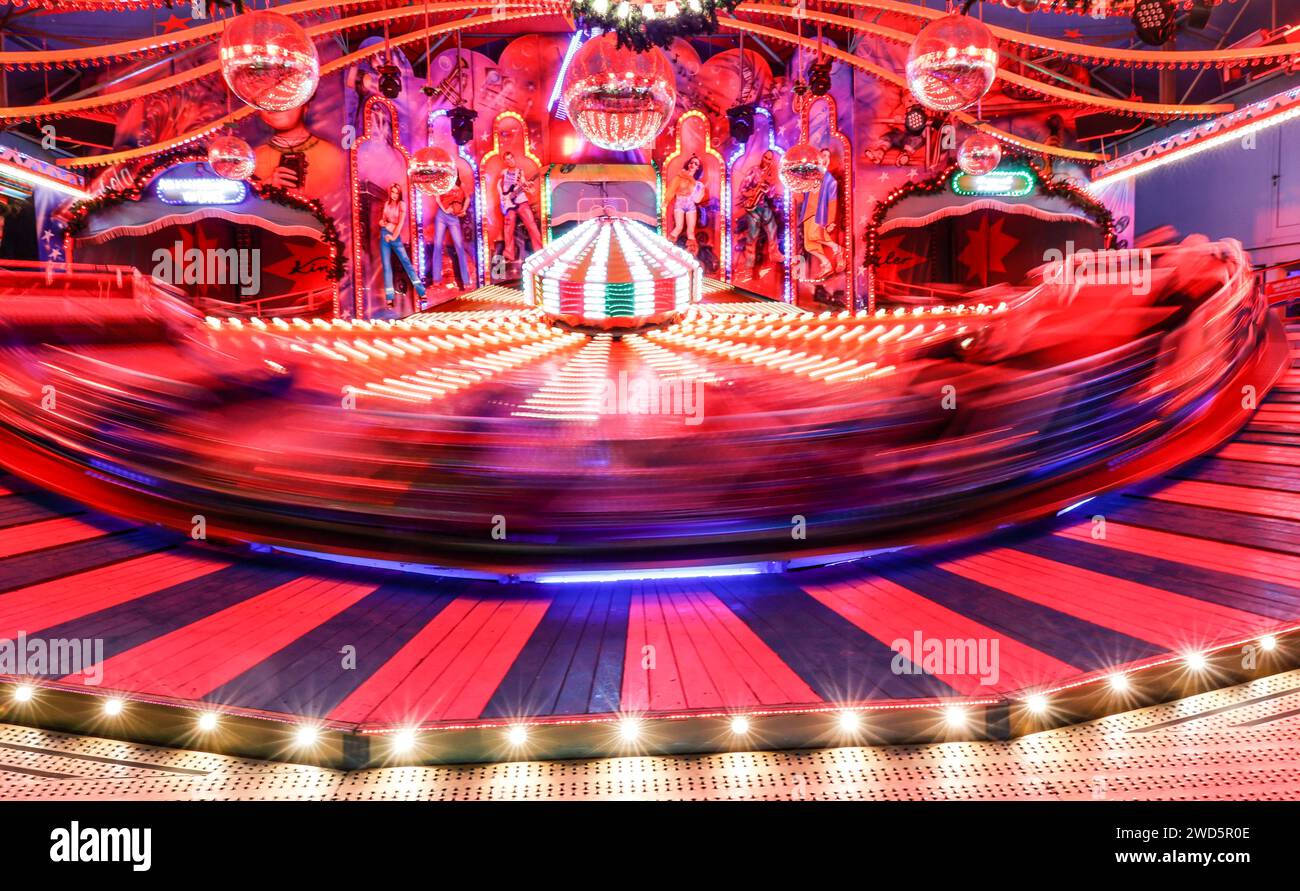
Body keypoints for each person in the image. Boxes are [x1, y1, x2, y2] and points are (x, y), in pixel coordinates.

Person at [252, 104, 345, 200]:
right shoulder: (254, 158)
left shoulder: (331, 155)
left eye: (286, 100)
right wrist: (266, 188)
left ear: (305, 106)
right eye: (266, 104)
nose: (276, 107)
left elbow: (335, 203)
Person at [737, 150, 784, 277]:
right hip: (753, 205)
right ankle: (749, 265)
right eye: (765, 157)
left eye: (769, 159)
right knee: (753, 235)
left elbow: (772, 194)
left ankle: (774, 253)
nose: (767, 160)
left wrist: (768, 189)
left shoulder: (770, 174)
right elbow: (742, 189)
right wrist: (752, 193)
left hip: (762, 204)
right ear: (762, 157)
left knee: (772, 227)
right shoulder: (753, 170)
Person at [379, 182, 426, 308]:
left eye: (396, 192)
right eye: (392, 192)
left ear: (400, 194)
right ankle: (389, 298)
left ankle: (421, 291)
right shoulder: (387, 204)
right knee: (386, 266)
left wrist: (393, 236)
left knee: (406, 262)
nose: (394, 195)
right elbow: (383, 219)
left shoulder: (402, 205)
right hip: (384, 234)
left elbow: (400, 224)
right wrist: (383, 223)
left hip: (394, 235)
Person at [798, 148, 842, 279]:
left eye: (828, 156)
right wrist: (796, 191)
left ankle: (837, 248)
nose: (825, 158)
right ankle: (826, 264)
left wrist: (830, 221)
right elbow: (801, 198)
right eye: (823, 155)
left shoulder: (831, 182)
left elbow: (833, 202)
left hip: (819, 215)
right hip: (807, 214)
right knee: (809, 245)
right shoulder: (809, 178)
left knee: (814, 235)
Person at [497, 151, 543, 262]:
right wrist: (502, 197)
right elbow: (498, 185)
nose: (510, 161)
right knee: (508, 228)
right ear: (505, 161)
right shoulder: (503, 172)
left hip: (521, 201)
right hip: (508, 202)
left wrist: (527, 186)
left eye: (511, 158)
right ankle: (509, 255)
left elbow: (523, 182)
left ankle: (539, 251)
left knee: (531, 224)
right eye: (507, 159)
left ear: (514, 158)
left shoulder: (520, 172)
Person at [426, 176, 471, 291]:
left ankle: (466, 281)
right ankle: (436, 280)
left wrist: (464, 210)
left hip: (454, 217)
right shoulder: (443, 183)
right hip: (442, 215)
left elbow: (468, 199)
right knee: (437, 245)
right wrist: (445, 209)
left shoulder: (462, 185)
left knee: (459, 247)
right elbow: (437, 198)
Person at [666, 155, 707, 253]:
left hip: (691, 206)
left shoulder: (698, 184)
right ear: (688, 164)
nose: (693, 164)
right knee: (678, 227)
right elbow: (672, 189)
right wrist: (666, 201)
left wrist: (700, 190)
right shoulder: (680, 176)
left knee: (691, 231)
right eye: (691, 162)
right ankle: (667, 250)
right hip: (679, 204)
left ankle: (691, 254)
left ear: (698, 168)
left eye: (696, 163)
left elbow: (697, 200)